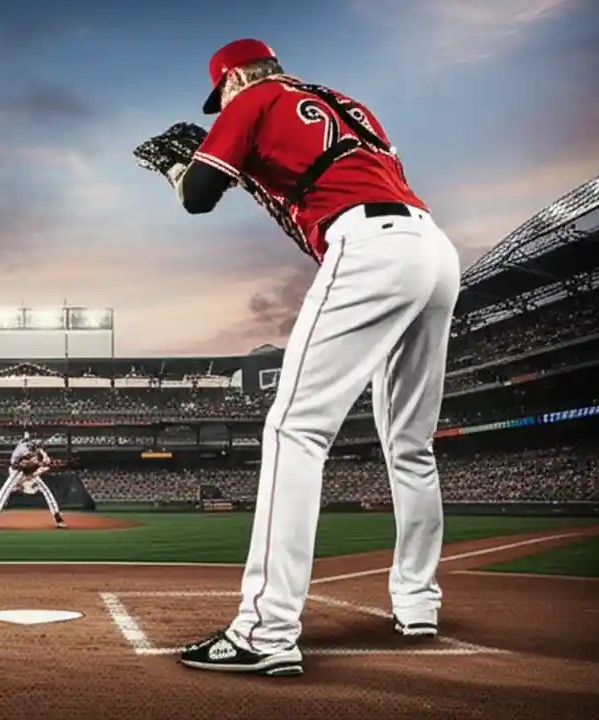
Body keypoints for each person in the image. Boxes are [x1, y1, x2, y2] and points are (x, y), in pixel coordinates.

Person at [172, 39, 461, 676]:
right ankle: (418, 601)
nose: (221, 103)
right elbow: (318, 183)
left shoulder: (251, 99)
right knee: (411, 445)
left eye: (221, 91)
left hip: (370, 243)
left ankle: (266, 630)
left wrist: (193, 167)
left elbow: (197, 196)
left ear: (240, 75)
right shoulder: (349, 106)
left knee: (294, 429)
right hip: (434, 250)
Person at [0, 434, 67, 529]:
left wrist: (40, 467)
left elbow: (46, 464)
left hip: (31, 471)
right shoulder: (22, 449)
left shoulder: (38, 451)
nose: (33, 445)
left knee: (46, 490)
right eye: (31, 443)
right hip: (17, 470)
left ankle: (57, 516)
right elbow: (23, 465)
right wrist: (37, 464)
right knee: (6, 489)